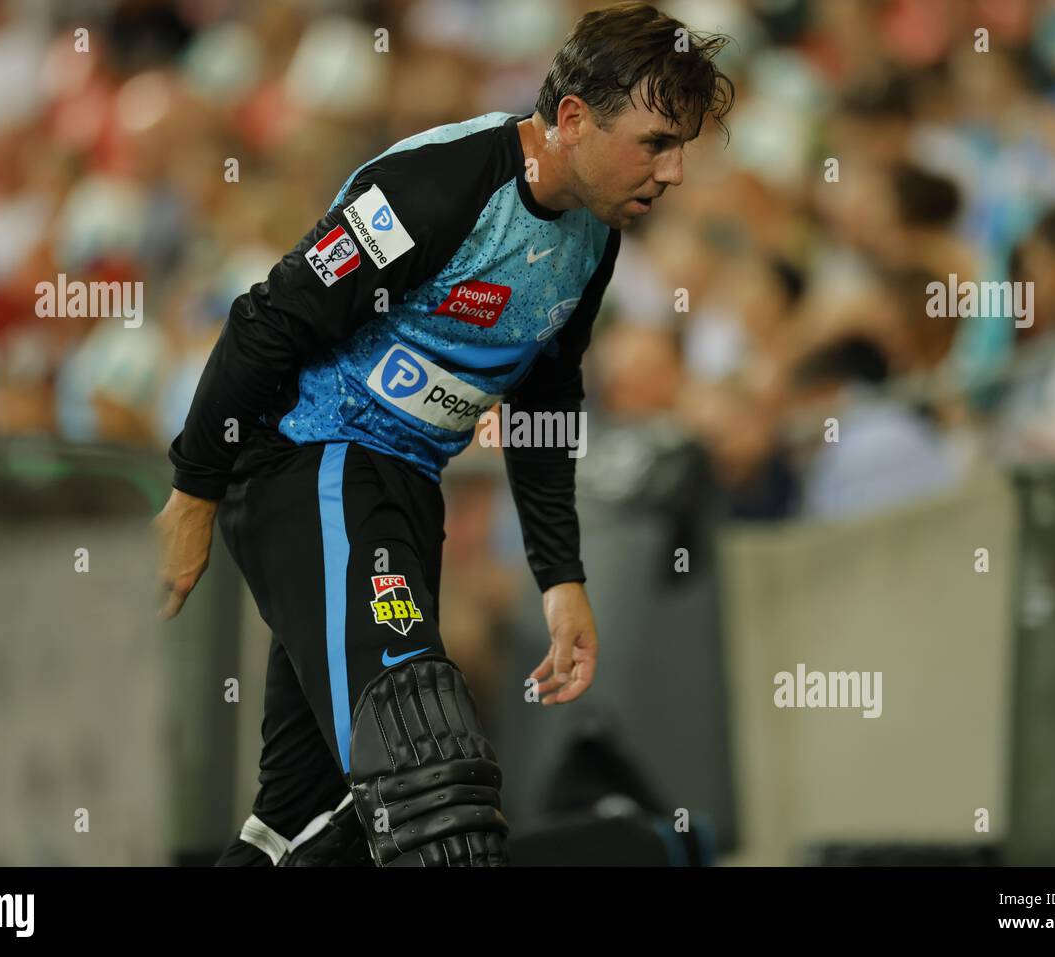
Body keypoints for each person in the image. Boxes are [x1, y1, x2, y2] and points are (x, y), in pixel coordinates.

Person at [151, 2, 734, 868]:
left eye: (683, 146)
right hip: (312, 467)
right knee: (432, 784)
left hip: (401, 495)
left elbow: (544, 398)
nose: (676, 171)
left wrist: (560, 575)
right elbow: (265, 322)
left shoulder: (595, 234)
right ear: (573, 120)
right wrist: (193, 492)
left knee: (314, 825)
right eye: (657, 141)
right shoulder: (439, 187)